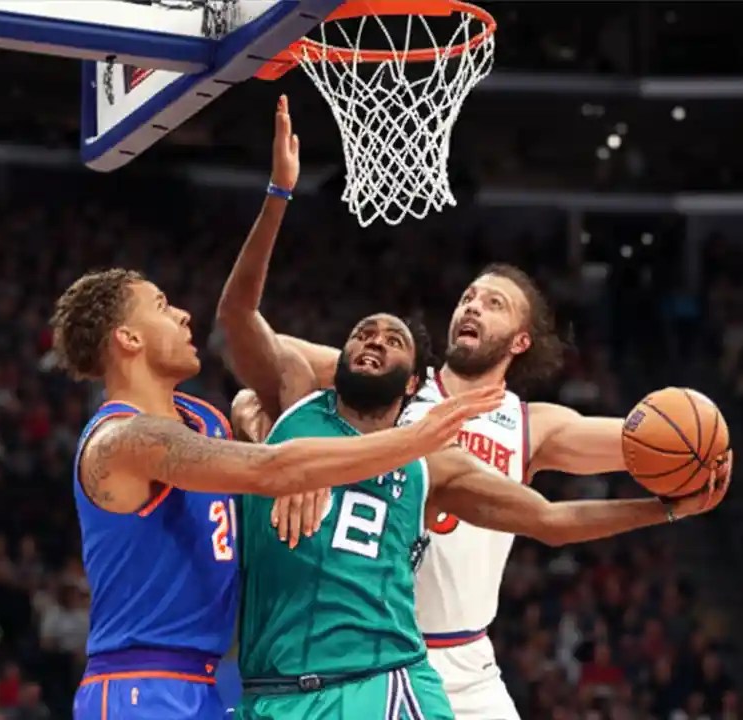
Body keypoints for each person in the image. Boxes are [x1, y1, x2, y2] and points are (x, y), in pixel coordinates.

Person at [214, 96, 732, 720]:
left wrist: (687, 480)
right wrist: (268, 417)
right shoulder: (399, 385)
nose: (471, 307)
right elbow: (260, 354)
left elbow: (643, 441)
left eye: (492, 303)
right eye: (468, 297)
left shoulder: (533, 426)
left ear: (520, 340)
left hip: (465, 661)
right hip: (364, 653)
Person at [49, 266, 500, 720]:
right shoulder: (123, 439)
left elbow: (260, 427)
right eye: (163, 307)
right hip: (138, 685)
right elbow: (271, 468)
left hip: (208, 684)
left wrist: (272, 436)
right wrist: (418, 436)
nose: (185, 316)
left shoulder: (204, 420)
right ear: (129, 338)